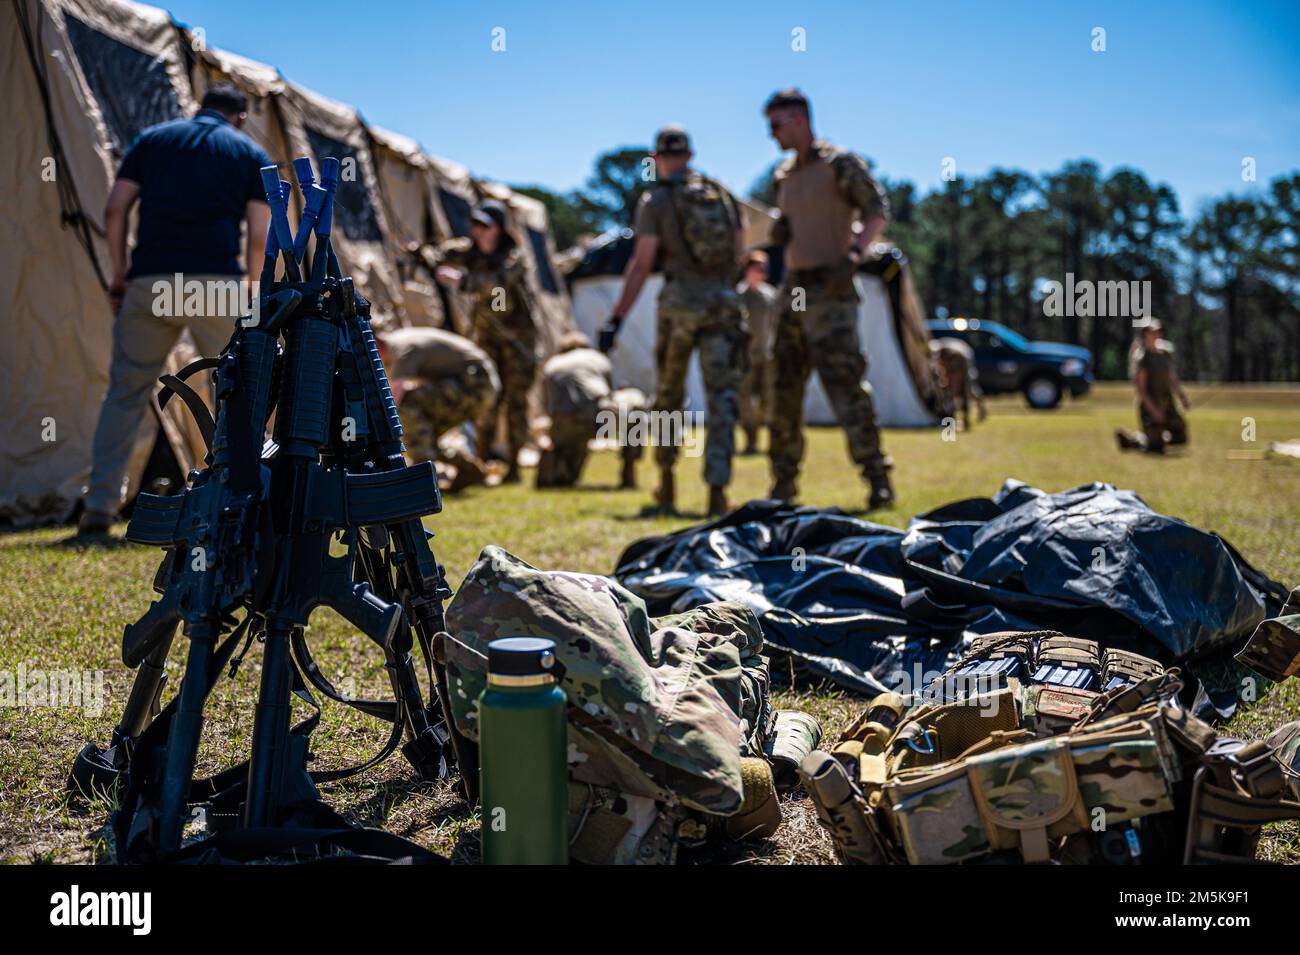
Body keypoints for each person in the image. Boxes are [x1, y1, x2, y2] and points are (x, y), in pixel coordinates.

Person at [78, 83, 272, 534]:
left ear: (198, 107)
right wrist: (253, 290)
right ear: (239, 117)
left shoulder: (153, 140)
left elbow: (114, 209)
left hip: (150, 279)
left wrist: (120, 274)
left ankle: (100, 506)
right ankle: (241, 502)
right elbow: (260, 237)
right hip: (215, 283)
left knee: (124, 393)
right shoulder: (249, 152)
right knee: (235, 392)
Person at [598, 126, 746, 516]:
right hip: (724, 303)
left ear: (658, 158)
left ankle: (667, 484)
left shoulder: (656, 200)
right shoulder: (723, 194)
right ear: (690, 154)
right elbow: (740, 252)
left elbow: (642, 263)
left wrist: (617, 318)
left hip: (679, 303)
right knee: (722, 399)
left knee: (668, 399)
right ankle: (717, 490)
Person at [761, 88, 895, 510]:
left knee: (846, 387)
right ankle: (783, 486)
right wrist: (781, 232)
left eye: (776, 124)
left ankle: (877, 478)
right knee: (783, 387)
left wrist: (855, 255)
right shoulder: (783, 175)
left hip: (832, 290)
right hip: (795, 289)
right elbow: (789, 222)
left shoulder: (840, 164)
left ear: (800, 119)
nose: (772, 134)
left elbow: (877, 211)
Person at [420, 200, 537, 483]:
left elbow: (499, 283)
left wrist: (462, 281)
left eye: (485, 225)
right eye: (475, 225)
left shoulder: (514, 255)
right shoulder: (469, 252)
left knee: (516, 400)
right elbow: (439, 253)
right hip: (487, 337)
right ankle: (482, 462)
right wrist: (423, 255)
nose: (479, 231)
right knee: (487, 396)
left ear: (499, 229)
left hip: (517, 339)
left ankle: (514, 467)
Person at [377, 325, 501, 487]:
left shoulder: (404, 350)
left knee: (407, 405)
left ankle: (422, 473)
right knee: (424, 430)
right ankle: (467, 468)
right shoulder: (401, 340)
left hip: (477, 385)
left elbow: (394, 398)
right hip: (476, 385)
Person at [536, 332, 645, 489]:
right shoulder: (598, 358)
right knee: (635, 400)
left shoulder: (552, 364)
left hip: (563, 424)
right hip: (597, 417)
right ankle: (628, 470)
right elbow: (608, 394)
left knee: (567, 471)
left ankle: (557, 467)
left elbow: (548, 405)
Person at [1116, 318, 1190, 454]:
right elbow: (1141, 390)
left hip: (1167, 403)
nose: (1158, 334)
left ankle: (1155, 437)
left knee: (1180, 438)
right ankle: (1134, 440)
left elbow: (1172, 378)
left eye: (1159, 331)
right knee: (1155, 448)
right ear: (1145, 335)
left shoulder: (1165, 354)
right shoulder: (1142, 359)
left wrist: (1182, 397)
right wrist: (1154, 411)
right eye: (1154, 332)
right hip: (1150, 406)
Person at [737, 250, 779, 454]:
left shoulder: (771, 296)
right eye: (756, 268)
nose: (760, 273)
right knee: (745, 400)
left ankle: (770, 439)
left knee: (768, 398)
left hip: (766, 355)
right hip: (745, 357)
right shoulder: (738, 295)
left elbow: (778, 322)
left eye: (763, 269)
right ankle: (750, 441)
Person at [929, 337, 987, 431]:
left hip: (962, 359)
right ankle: (971, 416)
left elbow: (943, 369)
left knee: (960, 391)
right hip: (966, 357)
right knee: (968, 389)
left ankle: (957, 420)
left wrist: (946, 382)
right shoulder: (945, 347)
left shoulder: (943, 352)